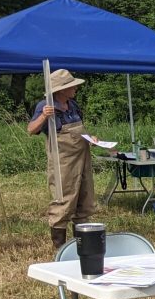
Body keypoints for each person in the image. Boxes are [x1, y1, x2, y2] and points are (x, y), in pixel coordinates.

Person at [27, 68, 101, 249]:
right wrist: (44, 115)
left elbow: (80, 130)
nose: (75, 89)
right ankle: (60, 247)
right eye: (71, 86)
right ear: (60, 90)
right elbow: (31, 129)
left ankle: (81, 243)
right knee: (64, 198)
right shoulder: (45, 106)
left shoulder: (73, 105)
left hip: (83, 158)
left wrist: (91, 138)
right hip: (63, 161)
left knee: (84, 197)